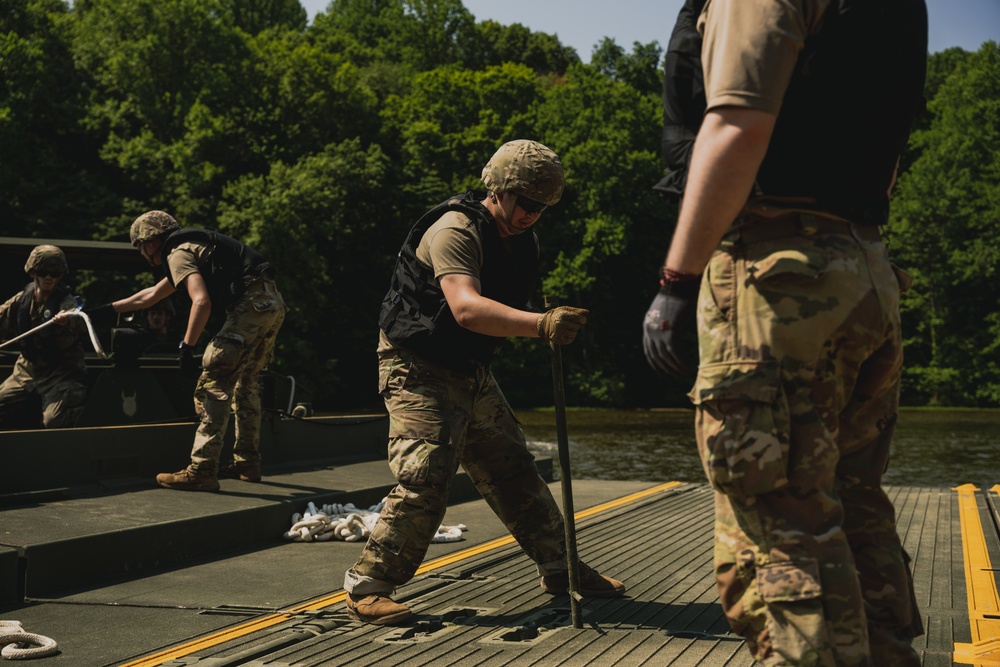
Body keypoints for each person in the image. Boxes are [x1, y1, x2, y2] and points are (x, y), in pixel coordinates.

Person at [642, 1, 927, 665]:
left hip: (778, 271)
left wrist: (676, 282)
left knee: (776, 520)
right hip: (866, 266)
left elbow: (738, 124)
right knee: (854, 503)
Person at [343, 139, 625, 625]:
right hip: (416, 366)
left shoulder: (519, 239)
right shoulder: (455, 229)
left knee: (512, 466)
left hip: (468, 369)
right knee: (426, 474)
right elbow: (467, 309)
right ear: (499, 190)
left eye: (543, 207)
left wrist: (545, 318)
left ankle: (560, 568)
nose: (533, 215)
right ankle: (368, 585)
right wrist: (540, 324)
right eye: (528, 203)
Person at [104, 211, 286, 491]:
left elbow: (201, 302)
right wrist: (107, 310)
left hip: (250, 306)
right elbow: (151, 295)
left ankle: (202, 469)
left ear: (150, 242)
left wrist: (186, 348)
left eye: (139, 246)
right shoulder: (192, 248)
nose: (142, 253)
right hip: (272, 304)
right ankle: (247, 463)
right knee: (246, 385)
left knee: (214, 380)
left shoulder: (177, 253)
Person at [0, 245, 87, 429]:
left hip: (61, 373)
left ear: (61, 275)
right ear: (32, 273)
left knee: (53, 421)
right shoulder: (19, 301)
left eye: (54, 274)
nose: (49, 277)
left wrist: (67, 320)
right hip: (27, 371)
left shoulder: (66, 301)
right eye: (43, 272)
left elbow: (80, 320)